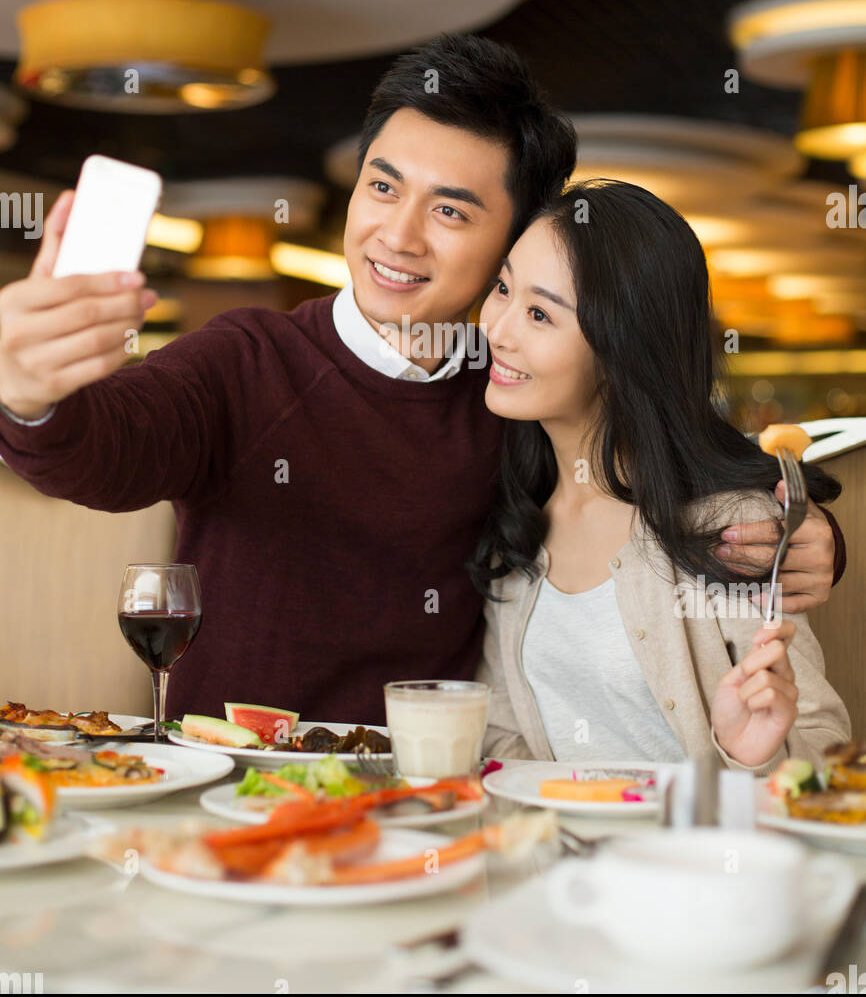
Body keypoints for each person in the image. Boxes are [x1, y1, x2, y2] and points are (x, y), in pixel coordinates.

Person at [0, 37, 845, 724]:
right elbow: (103, 452)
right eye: (382, 187)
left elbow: (685, 457)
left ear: (518, 240)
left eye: (449, 210)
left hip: (439, 803)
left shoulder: (518, 389)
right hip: (235, 785)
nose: (396, 236)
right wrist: (30, 394)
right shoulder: (246, 361)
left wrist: (811, 537)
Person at [472, 181, 851, 775]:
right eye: (502, 288)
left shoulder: (729, 528)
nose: (496, 328)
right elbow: (501, 732)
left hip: (698, 861)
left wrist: (747, 757)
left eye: (540, 314)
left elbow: (823, 752)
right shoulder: (517, 517)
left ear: (621, 350)